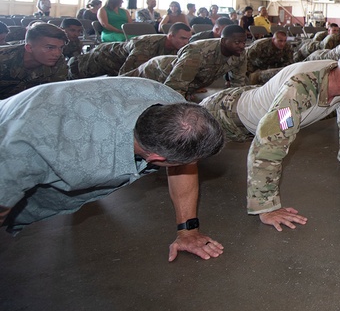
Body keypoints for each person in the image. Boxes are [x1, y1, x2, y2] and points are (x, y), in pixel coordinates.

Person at [0, 77, 225, 261]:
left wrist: (188, 230)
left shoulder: (174, 109)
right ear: (156, 157)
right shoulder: (39, 151)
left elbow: (182, 167)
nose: (191, 165)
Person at [200, 47, 340, 231]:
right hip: (224, 115)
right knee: (182, 150)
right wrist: (265, 207)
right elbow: (271, 143)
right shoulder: (299, 89)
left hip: (254, 118)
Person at [122, 24, 248, 99]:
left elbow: (238, 83)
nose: (242, 46)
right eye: (237, 42)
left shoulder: (240, 54)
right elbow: (175, 87)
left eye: (243, 42)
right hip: (156, 71)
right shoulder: (198, 52)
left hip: (181, 77)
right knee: (121, 87)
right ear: (223, 40)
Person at [68, 23, 192, 79]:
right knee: (71, 79)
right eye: (182, 38)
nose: (186, 42)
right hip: (97, 60)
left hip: (113, 67)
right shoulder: (147, 46)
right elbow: (128, 75)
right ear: (170, 36)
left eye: (188, 39)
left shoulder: (176, 48)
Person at [0, 23, 68, 99]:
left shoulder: (58, 61)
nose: (57, 53)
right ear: (29, 48)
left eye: (61, 48)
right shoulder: (3, 58)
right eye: (50, 47)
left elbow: (55, 92)